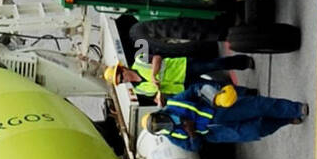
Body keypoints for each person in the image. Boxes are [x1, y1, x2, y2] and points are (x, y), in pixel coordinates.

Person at [147, 82, 308, 150]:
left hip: (219, 111)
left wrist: (215, 96)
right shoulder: (172, 136)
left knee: (258, 106)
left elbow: (196, 88)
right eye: (158, 128)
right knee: (259, 130)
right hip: (219, 133)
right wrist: (192, 134)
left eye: (158, 121)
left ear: (159, 115)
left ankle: (295, 109)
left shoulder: (175, 103)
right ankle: (286, 119)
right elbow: (193, 148)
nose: (162, 125)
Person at [105, 53, 254, 104]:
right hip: (184, 86)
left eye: (121, 76)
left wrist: (153, 74)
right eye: (121, 81)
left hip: (183, 68)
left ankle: (243, 62)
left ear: (123, 69)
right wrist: (160, 98)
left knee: (214, 64)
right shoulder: (139, 89)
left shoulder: (139, 60)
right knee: (215, 89)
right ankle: (247, 93)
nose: (124, 79)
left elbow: (157, 58)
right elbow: (156, 96)